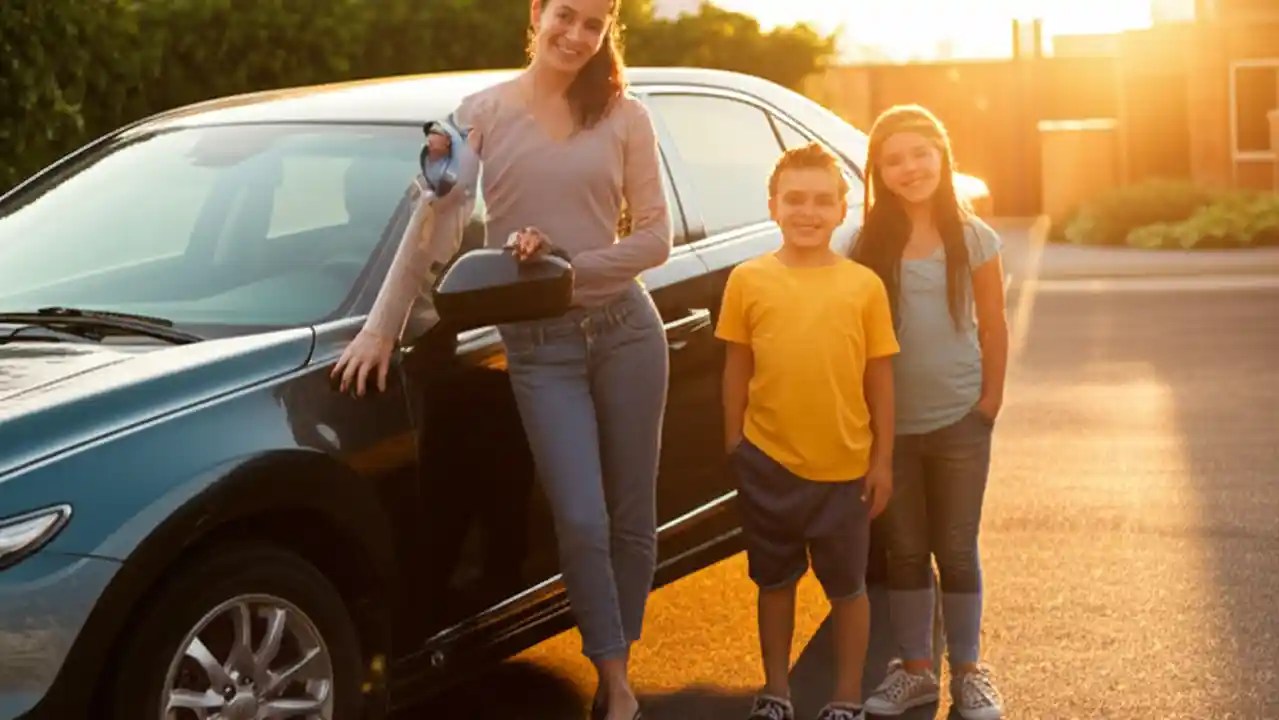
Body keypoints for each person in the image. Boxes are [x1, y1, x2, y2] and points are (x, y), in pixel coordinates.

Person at [331, 1, 673, 718]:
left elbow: (653, 242)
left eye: (595, 24)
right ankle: (612, 667)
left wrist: (561, 267)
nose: (577, 36)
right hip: (540, 349)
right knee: (580, 518)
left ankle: (616, 681)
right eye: (566, 17)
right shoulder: (480, 111)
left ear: (608, 30)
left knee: (631, 516)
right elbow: (433, 222)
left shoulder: (625, 115)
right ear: (537, 13)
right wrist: (380, 329)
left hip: (625, 331)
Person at [718, 143, 899, 720]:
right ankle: (776, 691)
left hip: (846, 467)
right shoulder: (747, 280)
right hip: (767, 462)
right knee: (774, 584)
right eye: (795, 199)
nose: (808, 211)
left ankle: (846, 694)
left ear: (843, 210)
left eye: (823, 200)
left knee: (848, 589)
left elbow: (880, 378)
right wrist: (735, 445)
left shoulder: (863, 286)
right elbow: (737, 368)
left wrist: (883, 461)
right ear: (773, 206)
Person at [853, 105, 1008, 720]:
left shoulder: (973, 236)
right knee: (906, 549)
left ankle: (968, 669)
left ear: (943, 157)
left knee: (957, 545)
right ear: (879, 172)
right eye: (894, 160)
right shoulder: (860, 244)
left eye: (920, 154)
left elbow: (994, 326)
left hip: (959, 417)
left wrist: (990, 402)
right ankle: (915, 669)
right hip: (891, 428)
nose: (909, 168)